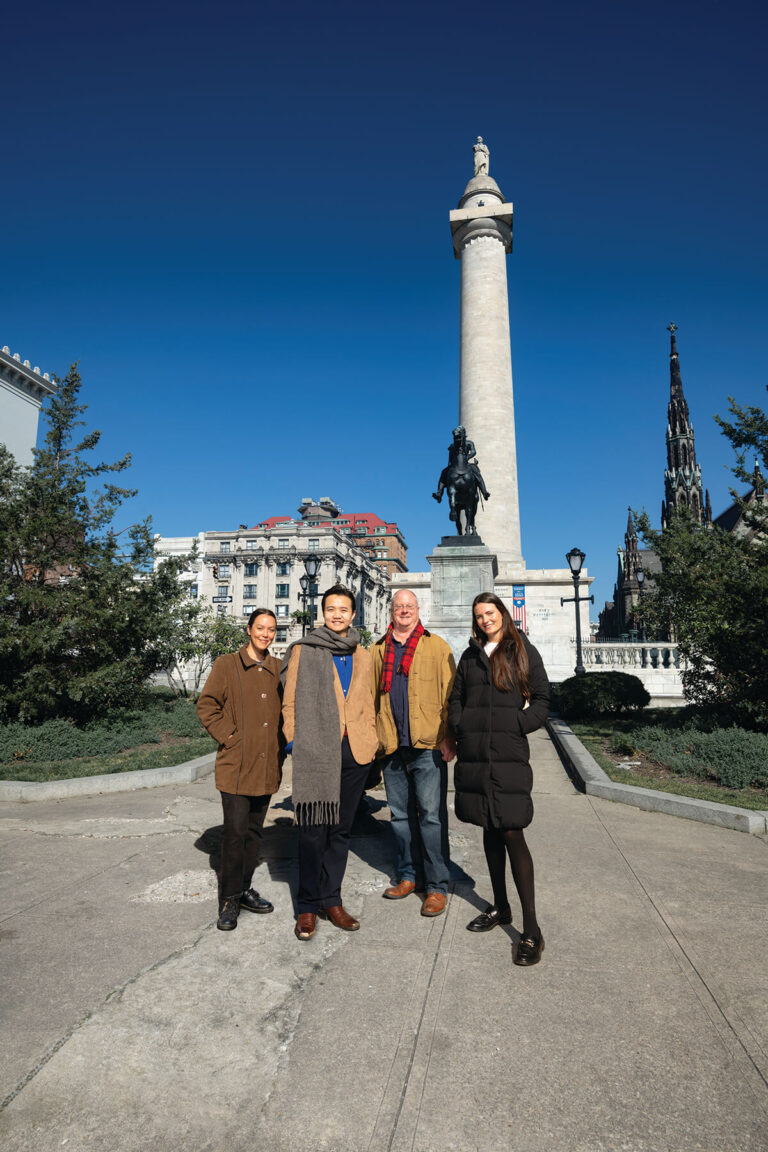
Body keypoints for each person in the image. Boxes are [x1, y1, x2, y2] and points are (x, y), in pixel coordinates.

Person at [448, 593, 550, 965]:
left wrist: (516, 725)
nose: (485, 620)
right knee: (489, 829)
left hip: (507, 756)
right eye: (479, 615)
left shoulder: (521, 650)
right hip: (476, 756)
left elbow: (542, 699)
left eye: (490, 613)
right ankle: (501, 907)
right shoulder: (470, 655)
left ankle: (532, 930)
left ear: (501, 614)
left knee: (511, 831)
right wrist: (461, 726)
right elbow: (455, 699)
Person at [282, 584, 377, 942]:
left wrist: (370, 739)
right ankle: (307, 905)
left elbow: (368, 701)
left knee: (340, 831)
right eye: (331, 609)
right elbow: (289, 702)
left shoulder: (363, 655)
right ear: (323, 613)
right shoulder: (305, 651)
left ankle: (331, 899)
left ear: (353, 615)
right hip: (315, 753)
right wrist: (294, 741)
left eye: (344, 609)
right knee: (311, 831)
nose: (337, 614)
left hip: (355, 753)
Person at [197, 609, 284, 932]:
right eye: (260, 628)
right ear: (248, 630)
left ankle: (244, 888)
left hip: (266, 765)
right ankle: (229, 899)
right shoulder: (227, 665)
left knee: (253, 833)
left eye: (271, 629)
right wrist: (230, 737)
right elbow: (207, 705)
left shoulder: (277, 667)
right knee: (234, 834)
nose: (266, 634)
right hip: (236, 765)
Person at [371, 590, 456, 917]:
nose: (404, 611)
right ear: (391, 612)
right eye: (398, 607)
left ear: (418, 610)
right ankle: (409, 875)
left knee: (431, 816)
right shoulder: (379, 649)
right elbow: (370, 697)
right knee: (401, 816)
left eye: (409, 606)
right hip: (392, 745)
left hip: (429, 744)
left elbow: (451, 696)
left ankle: (436, 886)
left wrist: (450, 737)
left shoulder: (437, 646)